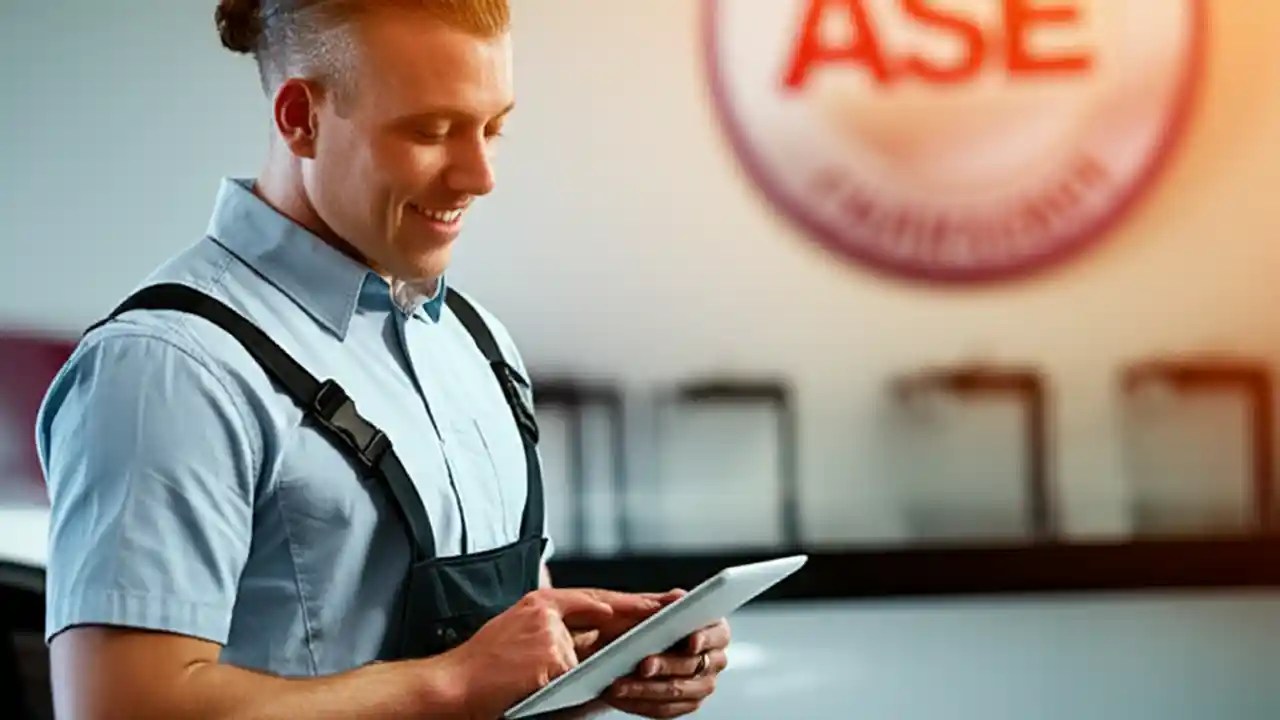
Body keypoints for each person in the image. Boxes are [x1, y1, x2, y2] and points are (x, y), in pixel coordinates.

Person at [34, 1, 730, 717]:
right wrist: (452, 682)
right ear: (300, 117)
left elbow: (498, 671)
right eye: (430, 131)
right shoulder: (167, 371)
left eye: (494, 128)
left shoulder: (475, 343)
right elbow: (117, 706)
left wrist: (600, 666)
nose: (481, 175)